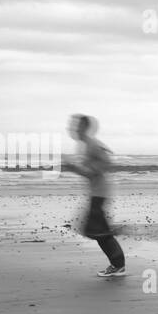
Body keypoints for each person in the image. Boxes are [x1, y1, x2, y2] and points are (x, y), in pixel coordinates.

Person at [62, 114, 125, 277]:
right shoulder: (84, 145)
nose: (72, 129)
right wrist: (76, 169)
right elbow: (89, 172)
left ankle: (118, 263)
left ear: (84, 127)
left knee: (96, 231)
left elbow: (107, 162)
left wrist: (77, 169)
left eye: (76, 126)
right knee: (95, 231)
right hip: (97, 192)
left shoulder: (92, 144)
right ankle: (117, 261)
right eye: (72, 125)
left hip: (100, 192)